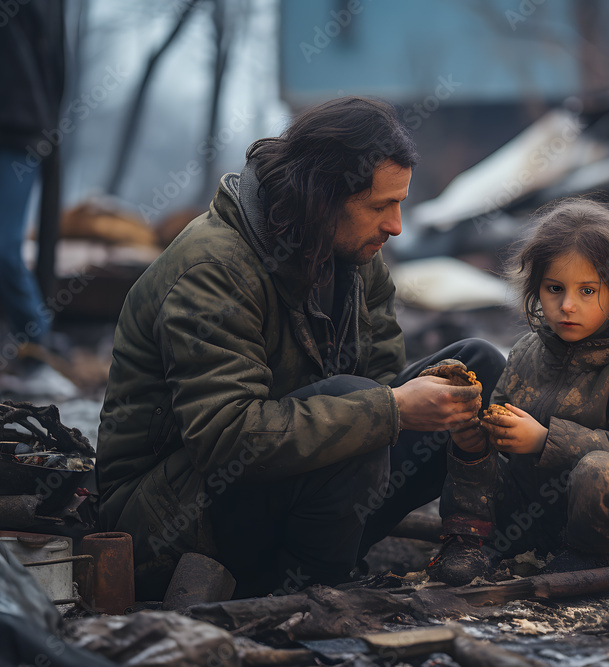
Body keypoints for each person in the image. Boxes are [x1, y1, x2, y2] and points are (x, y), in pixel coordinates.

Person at [95, 97, 505, 600]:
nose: (396, 225)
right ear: (321, 198)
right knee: (368, 410)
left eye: (400, 204)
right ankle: (307, 591)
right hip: (171, 519)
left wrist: (398, 405)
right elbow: (226, 440)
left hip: (288, 489)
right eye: (379, 206)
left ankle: (473, 538)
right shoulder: (213, 271)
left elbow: (382, 378)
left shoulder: (353, 254)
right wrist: (389, 408)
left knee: (478, 365)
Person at [428, 197, 609, 586]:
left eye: (587, 291)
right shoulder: (525, 354)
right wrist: (480, 433)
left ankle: (586, 557)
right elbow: (498, 431)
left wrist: (544, 440)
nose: (568, 305)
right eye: (555, 288)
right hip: (544, 519)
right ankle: (467, 542)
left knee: (599, 469)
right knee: (470, 448)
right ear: (537, 290)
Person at [0, 1, 69, 402]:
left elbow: (56, 58)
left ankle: (39, 355)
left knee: (0, 251)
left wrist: (49, 124)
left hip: (22, 129)